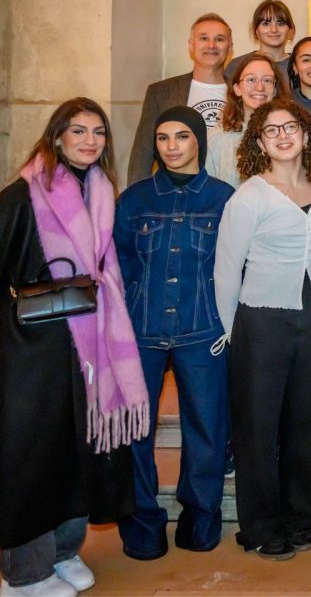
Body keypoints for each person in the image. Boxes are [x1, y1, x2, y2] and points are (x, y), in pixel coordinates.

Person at [0, 98, 147, 596]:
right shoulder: (23, 196)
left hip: (91, 349)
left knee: (79, 453)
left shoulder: (102, 192)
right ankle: (24, 575)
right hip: (33, 354)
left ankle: (64, 553)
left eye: (99, 132)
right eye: (78, 131)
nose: (90, 141)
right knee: (33, 461)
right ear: (57, 136)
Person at [214, 97, 311, 560]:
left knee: (310, 423)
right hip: (261, 321)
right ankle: (262, 526)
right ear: (260, 142)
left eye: (291, 127)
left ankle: (298, 518)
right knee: (257, 427)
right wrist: (231, 335)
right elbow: (226, 272)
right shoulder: (248, 197)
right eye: (271, 130)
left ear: (306, 134)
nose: (283, 135)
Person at [114, 106, 233, 560]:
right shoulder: (135, 199)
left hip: (203, 330)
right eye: (162, 138)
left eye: (181, 136)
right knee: (134, 431)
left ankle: (200, 520)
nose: (171, 146)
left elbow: (234, 265)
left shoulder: (224, 198)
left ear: (198, 141)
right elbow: (119, 263)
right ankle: (143, 523)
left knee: (206, 430)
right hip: (140, 331)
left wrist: (229, 322)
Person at [129, 13, 233, 183]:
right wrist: (136, 202)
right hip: (174, 194)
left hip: (228, 192)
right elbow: (142, 155)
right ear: (191, 45)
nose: (211, 45)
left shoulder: (242, 92)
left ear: (230, 47)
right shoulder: (161, 92)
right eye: (203, 38)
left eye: (220, 39)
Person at [206, 52, 288, 188]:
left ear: (274, 90)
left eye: (267, 80)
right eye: (251, 80)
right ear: (237, 88)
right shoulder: (215, 138)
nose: (260, 87)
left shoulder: (289, 135)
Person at [224, 0, 294, 80]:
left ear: (290, 30)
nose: (274, 29)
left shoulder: (301, 65)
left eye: (281, 24)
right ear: (256, 30)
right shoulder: (237, 65)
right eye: (266, 24)